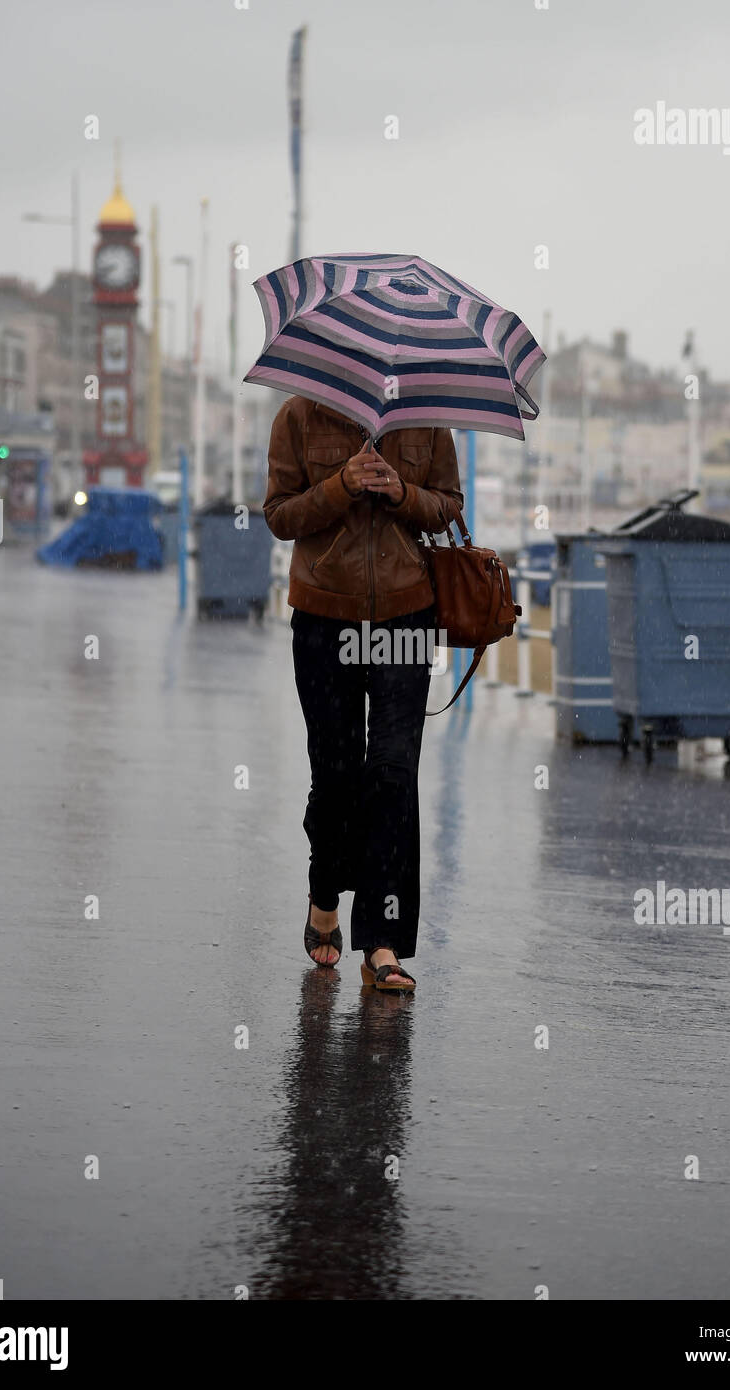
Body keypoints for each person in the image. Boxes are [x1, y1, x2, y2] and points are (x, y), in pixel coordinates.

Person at [263, 396, 463, 991]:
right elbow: (278, 516)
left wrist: (403, 492)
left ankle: (382, 942)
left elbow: (448, 507)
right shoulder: (299, 416)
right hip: (325, 619)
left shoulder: (427, 418)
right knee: (336, 773)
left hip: (406, 616)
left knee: (395, 773)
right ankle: (324, 889)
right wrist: (341, 485)